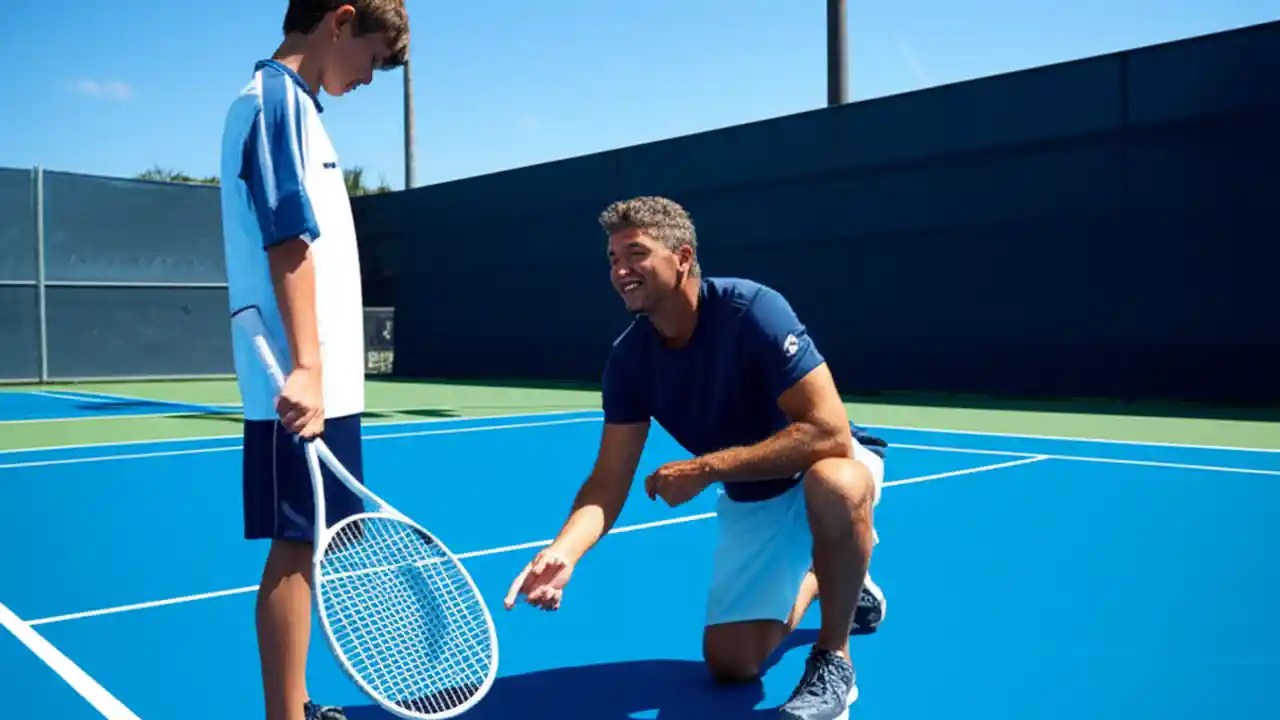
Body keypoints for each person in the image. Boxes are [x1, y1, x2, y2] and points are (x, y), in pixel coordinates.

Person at [504, 196, 889, 720]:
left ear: (682, 257)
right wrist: (564, 553)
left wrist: (707, 469)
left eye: (635, 254)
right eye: (612, 259)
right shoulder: (630, 360)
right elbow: (608, 480)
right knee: (731, 665)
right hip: (754, 497)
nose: (620, 270)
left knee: (838, 484)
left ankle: (834, 662)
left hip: (825, 467)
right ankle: (834, 575)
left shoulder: (752, 309)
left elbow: (830, 433)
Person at [218, 3, 408, 719]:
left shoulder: (299, 108)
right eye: (375, 58)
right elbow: (286, 243)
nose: (371, 77)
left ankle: (296, 703)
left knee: (316, 540)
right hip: (294, 378)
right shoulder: (271, 102)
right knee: (298, 543)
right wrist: (306, 368)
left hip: (321, 379)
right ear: (340, 21)